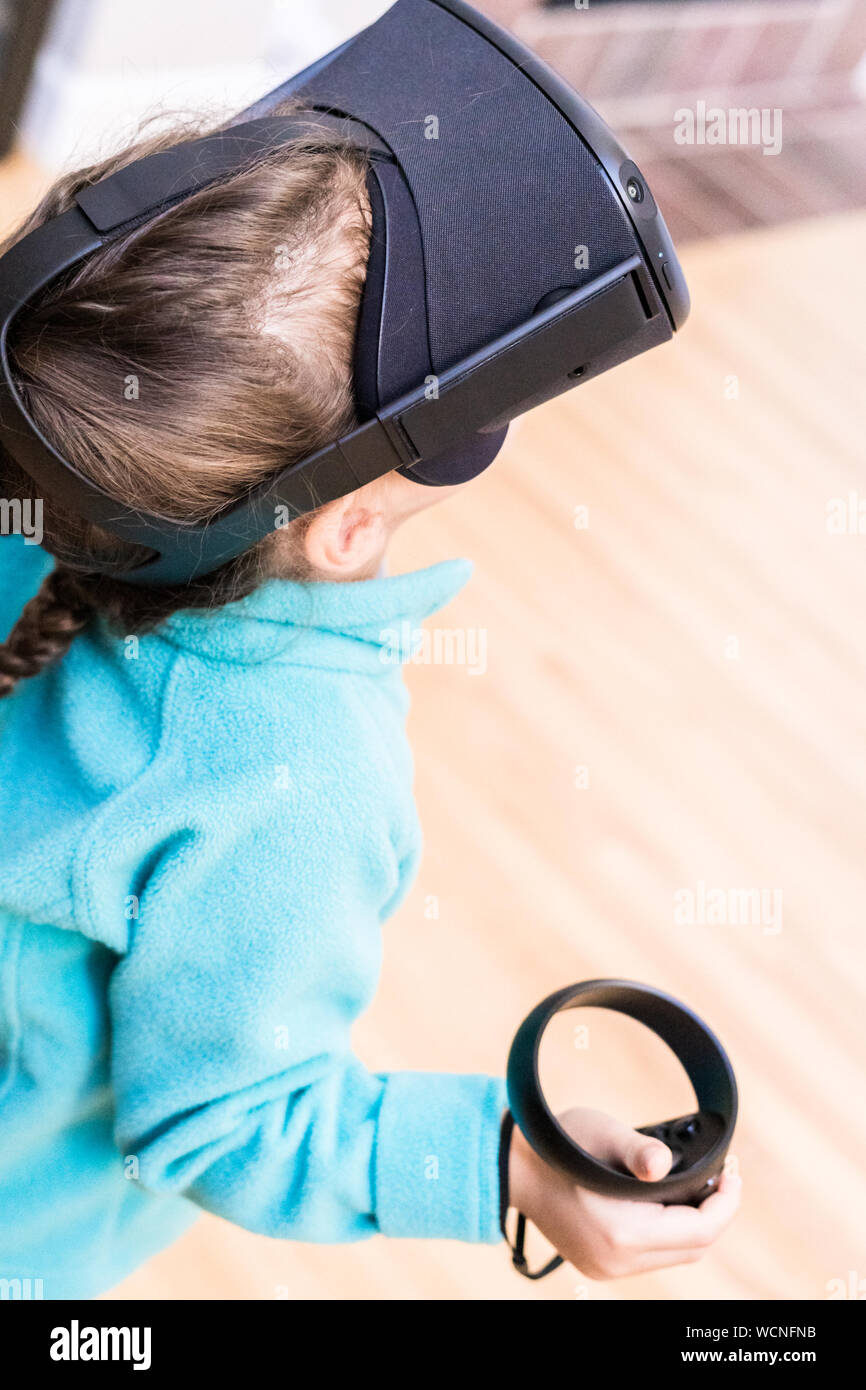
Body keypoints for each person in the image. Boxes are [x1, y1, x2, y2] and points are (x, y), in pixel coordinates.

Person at [0, 111, 740, 1298]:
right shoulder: (287, 776)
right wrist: (510, 1167)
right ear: (345, 529)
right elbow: (228, 1120)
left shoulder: (46, 457)